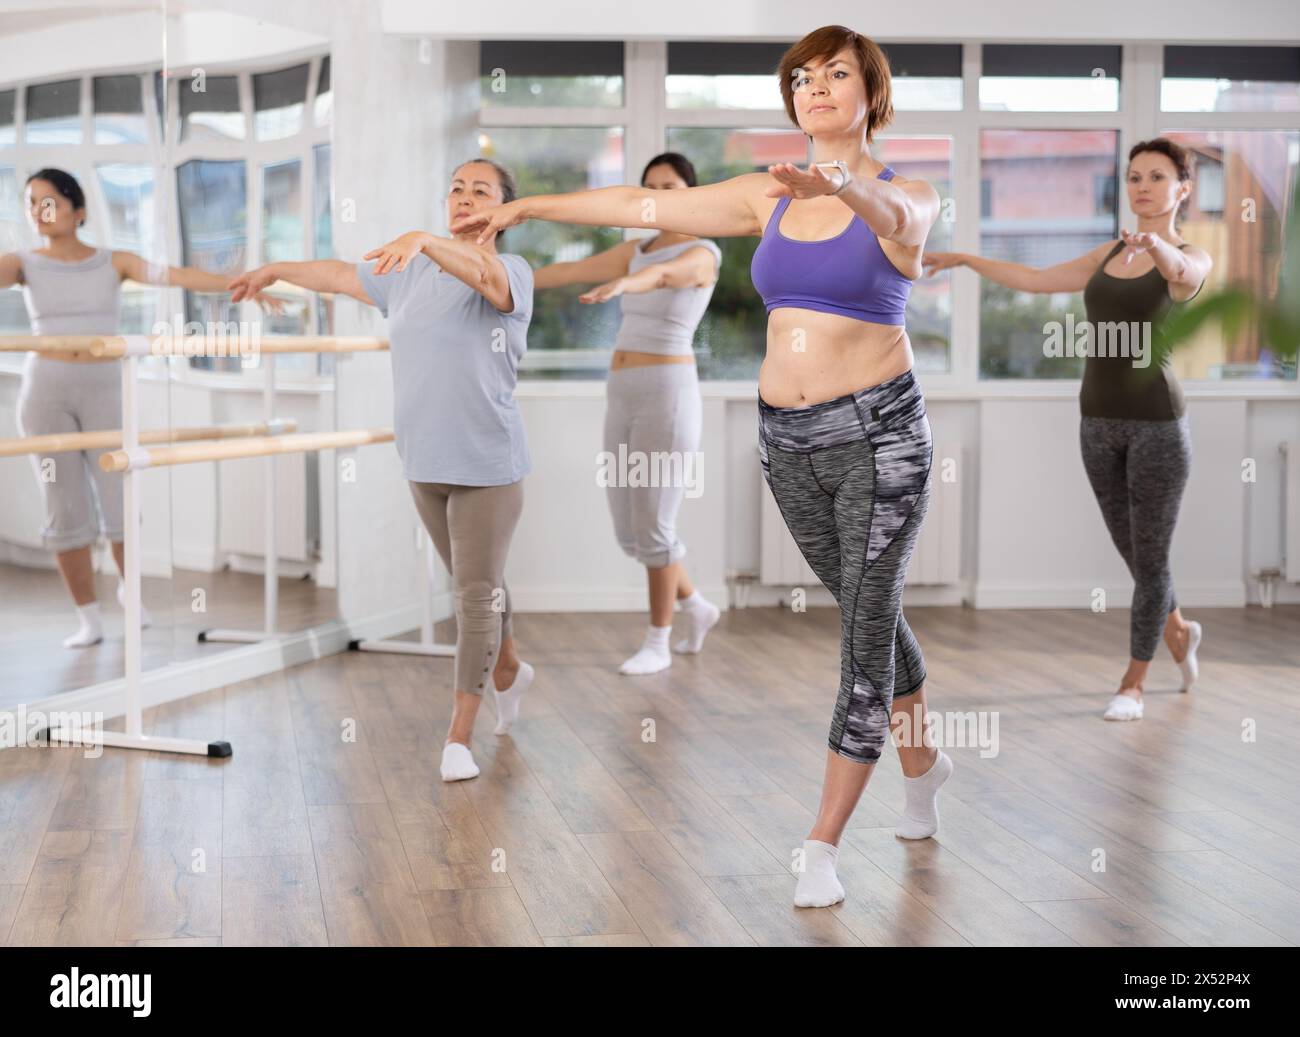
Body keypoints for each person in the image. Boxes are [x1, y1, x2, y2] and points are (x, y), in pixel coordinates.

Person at [453, 26, 951, 909]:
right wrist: (533, 210)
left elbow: (902, 226)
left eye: (837, 74)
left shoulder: (907, 193)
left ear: (871, 93)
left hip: (883, 437)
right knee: (870, 616)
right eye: (803, 77)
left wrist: (849, 192)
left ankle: (822, 845)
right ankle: (924, 767)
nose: (817, 88)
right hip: (787, 438)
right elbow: (644, 211)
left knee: (861, 637)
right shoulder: (769, 194)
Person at [231, 158, 535, 782]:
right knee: (480, 581)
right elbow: (342, 275)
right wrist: (278, 269)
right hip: (423, 460)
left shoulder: (511, 271)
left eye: (481, 190)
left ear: (504, 209)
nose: (463, 197)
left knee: (474, 597)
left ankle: (457, 738)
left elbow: (486, 279)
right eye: (455, 187)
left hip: (488, 464)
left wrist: (424, 239)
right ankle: (508, 667)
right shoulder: (411, 270)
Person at [923, 137, 1210, 721]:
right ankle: (1178, 628)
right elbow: (1034, 279)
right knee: (1133, 550)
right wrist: (966, 260)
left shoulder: (1188, 254)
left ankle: (1133, 682)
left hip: (1157, 425)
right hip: (1096, 422)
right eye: (1134, 176)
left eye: (1157, 176)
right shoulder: (1108, 254)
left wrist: (1156, 246)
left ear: (1183, 189)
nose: (1143, 186)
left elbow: (1182, 276)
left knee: (1150, 561)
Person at [0, 168, 277, 648]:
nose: (37, 211)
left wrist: (243, 282)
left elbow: (178, 276)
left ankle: (132, 590)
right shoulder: (21, 262)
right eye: (30, 203)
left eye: (48, 202)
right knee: (63, 505)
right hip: (45, 392)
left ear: (77, 210)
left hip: (104, 388)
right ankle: (87, 617)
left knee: (118, 496)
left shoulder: (115, 261)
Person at [533, 152, 722, 675]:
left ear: (690, 193)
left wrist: (627, 284)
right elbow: (568, 271)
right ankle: (698, 606)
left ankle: (658, 641)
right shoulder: (634, 249)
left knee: (656, 525)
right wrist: (501, 277)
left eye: (670, 186)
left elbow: (666, 277)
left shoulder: (703, 252)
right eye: (651, 187)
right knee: (630, 532)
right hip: (622, 390)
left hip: (668, 392)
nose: (659, 196)